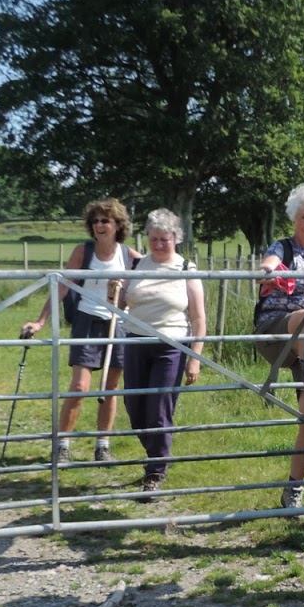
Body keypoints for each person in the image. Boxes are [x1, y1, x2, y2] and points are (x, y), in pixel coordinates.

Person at [21, 198, 141, 464]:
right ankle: (62, 446)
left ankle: (102, 446)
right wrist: (40, 321)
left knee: (110, 388)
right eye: (95, 221)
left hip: (117, 324)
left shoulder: (128, 255)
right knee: (79, 386)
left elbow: (151, 275)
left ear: (117, 225)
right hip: (87, 322)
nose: (99, 225)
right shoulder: (83, 252)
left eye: (105, 220)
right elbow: (62, 287)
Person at [254, 182, 304, 510]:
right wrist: (268, 273)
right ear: (293, 218)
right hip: (276, 330)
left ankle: (293, 489)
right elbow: (266, 266)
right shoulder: (282, 247)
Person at [121, 209, 206, 502]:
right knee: (134, 408)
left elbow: (198, 318)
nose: (159, 245)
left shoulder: (185, 269)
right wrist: (113, 290)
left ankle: (156, 470)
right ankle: (156, 451)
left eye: (165, 239)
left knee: (158, 408)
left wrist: (195, 357)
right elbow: (119, 303)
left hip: (171, 344)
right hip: (135, 341)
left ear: (176, 239)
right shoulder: (136, 265)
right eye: (154, 239)